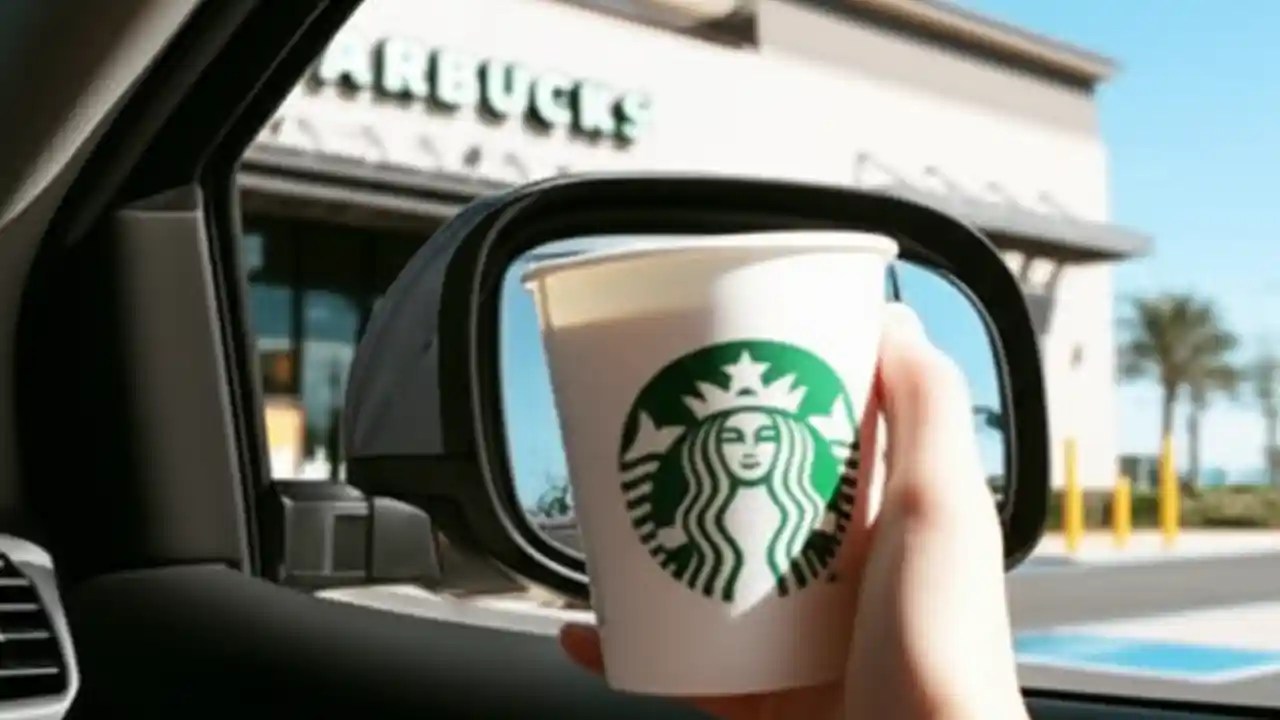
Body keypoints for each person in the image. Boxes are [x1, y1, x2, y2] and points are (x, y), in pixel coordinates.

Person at [558, 303, 1029, 720]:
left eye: (764, 436)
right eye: (732, 436)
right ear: (706, 449)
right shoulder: (692, 533)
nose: (749, 449)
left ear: (789, 446)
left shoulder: (805, 523)